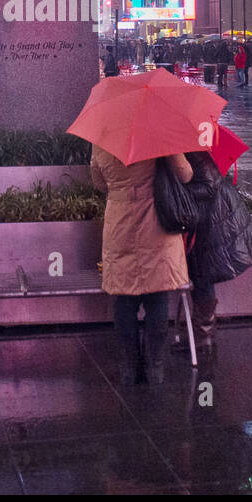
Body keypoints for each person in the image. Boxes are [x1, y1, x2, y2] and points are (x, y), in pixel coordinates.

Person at [90, 145, 193, 385]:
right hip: (155, 223)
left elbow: (98, 182)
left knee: (124, 301)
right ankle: (155, 367)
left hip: (120, 224)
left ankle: (129, 368)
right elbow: (185, 174)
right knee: (157, 299)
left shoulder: (103, 138)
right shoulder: (157, 134)